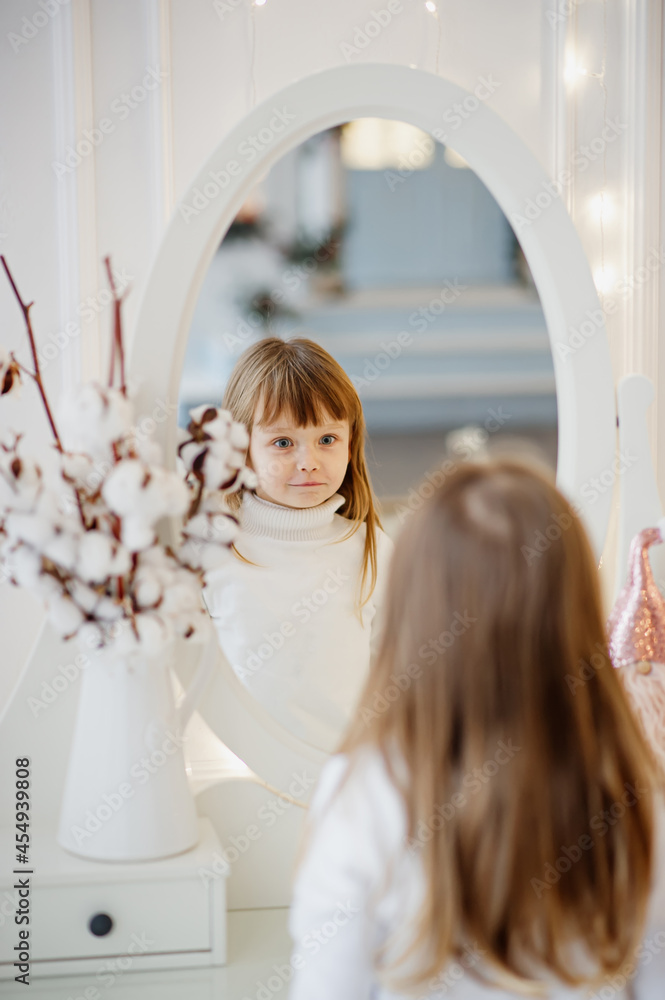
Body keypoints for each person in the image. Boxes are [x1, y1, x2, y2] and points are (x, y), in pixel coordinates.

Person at [288, 459, 665, 998]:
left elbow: (327, 987)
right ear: (577, 617)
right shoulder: (633, 790)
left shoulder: (363, 795)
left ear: (410, 617)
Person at [203, 336, 393, 750]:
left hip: (347, 773)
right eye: (283, 443)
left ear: (350, 441)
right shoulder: (211, 551)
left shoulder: (372, 551)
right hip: (242, 772)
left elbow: (396, 677)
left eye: (327, 439)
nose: (309, 461)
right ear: (241, 448)